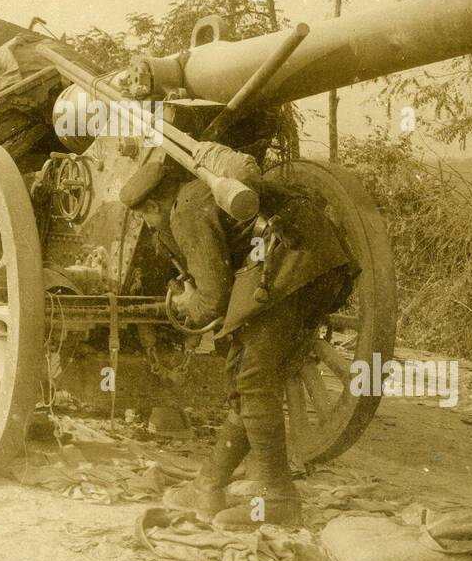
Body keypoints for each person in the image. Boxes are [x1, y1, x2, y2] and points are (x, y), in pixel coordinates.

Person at [126, 123, 356, 528]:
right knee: (248, 379)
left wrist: (183, 305)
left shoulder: (185, 212)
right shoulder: (202, 192)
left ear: (153, 206)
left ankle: (279, 498)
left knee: (251, 380)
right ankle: (209, 483)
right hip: (319, 265)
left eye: (146, 217)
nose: (150, 226)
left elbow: (212, 298)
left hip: (284, 269)